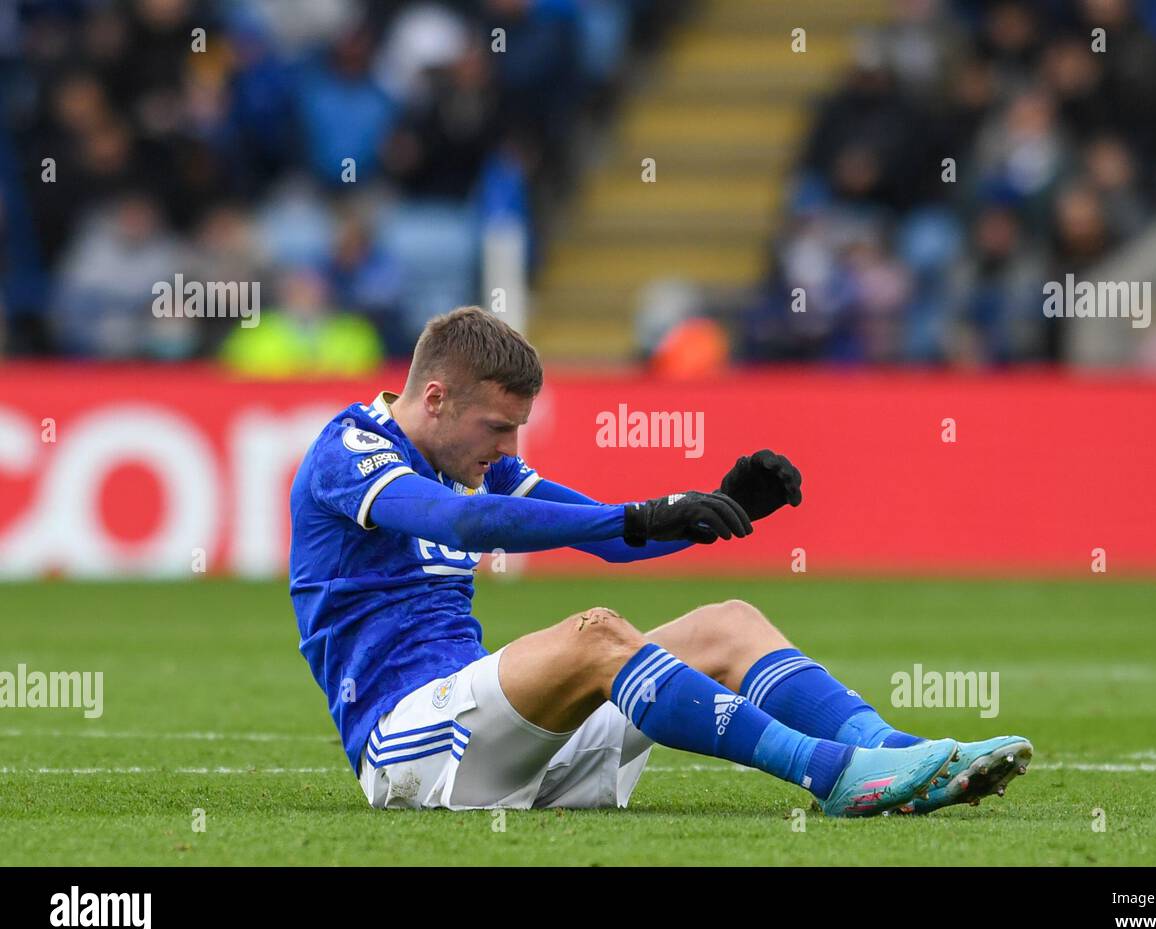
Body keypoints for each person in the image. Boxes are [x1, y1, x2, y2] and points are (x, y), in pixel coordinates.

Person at [288, 306, 1032, 816]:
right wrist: (638, 515)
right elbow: (462, 521)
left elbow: (606, 533)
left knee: (729, 623)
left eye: (517, 430)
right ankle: (833, 775)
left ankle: (903, 755)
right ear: (438, 398)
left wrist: (710, 508)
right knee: (598, 635)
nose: (510, 449)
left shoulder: (475, 462)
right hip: (410, 747)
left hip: (505, 746)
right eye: (498, 427)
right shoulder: (351, 451)